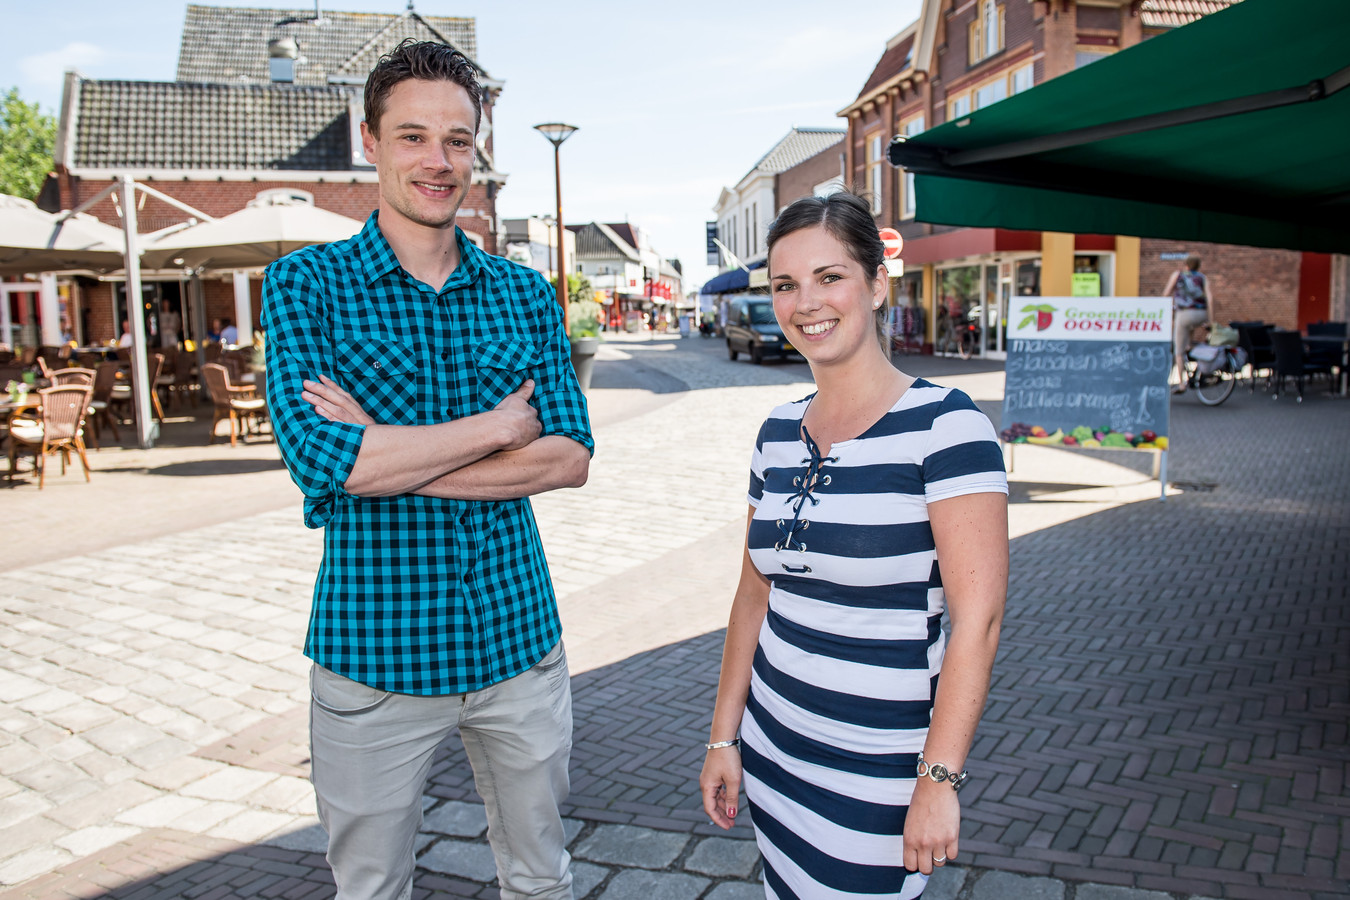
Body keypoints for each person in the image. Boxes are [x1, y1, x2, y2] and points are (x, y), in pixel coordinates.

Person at [263, 39, 592, 900]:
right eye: (412, 136)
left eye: (457, 138)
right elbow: (320, 455)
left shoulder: (522, 293)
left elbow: (567, 457)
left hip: (518, 643)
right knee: (371, 889)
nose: (438, 161)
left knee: (543, 878)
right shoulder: (307, 286)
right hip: (373, 654)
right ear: (368, 142)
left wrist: (385, 450)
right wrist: (494, 428)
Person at [700, 191, 1009, 899]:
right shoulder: (776, 431)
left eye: (829, 276)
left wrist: (938, 780)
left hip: (879, 768)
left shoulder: (947, 426)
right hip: (775, 747)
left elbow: (979, 623)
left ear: (875, 284)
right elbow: (753, 595)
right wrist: (725, 739)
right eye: (785, 284)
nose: (806, 301)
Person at [1163, 254, 1215, 393]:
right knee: (1188, 344)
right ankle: (1194, 365)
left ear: (1186, 265)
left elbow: (1166, 293)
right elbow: (1209, 299)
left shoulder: (1178, 275)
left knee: (1178, 351)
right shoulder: (1202, 278)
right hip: (1201, 314)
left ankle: (1181, 384)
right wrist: (1210, 321)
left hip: (1184, 314)